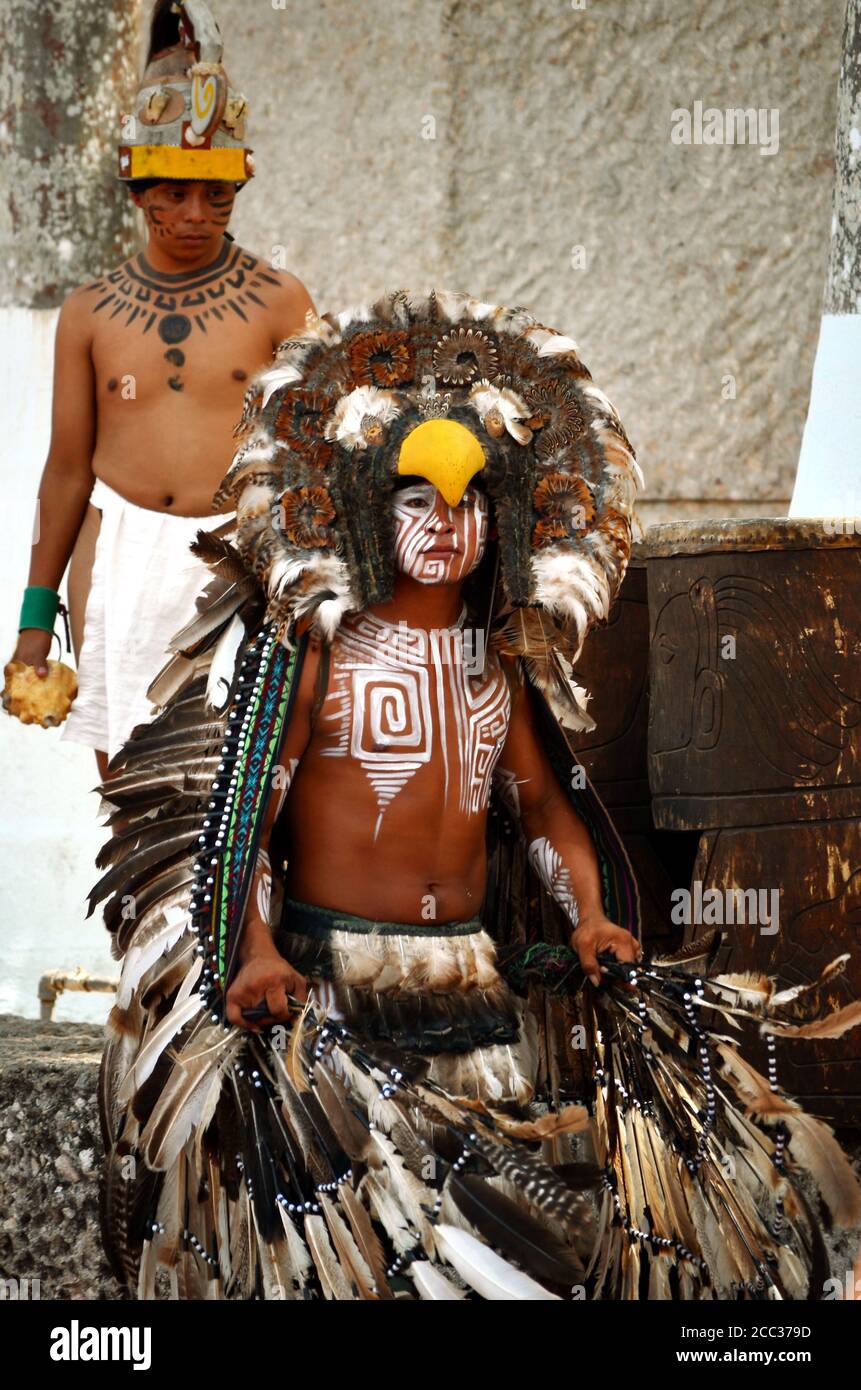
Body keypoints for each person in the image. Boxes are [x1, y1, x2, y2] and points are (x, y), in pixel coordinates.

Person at [92, 290, 861, 1300]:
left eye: (467, 503)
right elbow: (249, 821)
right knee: (381, 1251)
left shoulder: (497, 670)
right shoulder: (316, 653)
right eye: (417, 500)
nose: (444, 525)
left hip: (473, 992)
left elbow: (545, 812)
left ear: (502, 522)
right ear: (372, 511)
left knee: (491, 1236)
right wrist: (257, 945)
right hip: (334, 989)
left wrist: (591, 917)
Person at [8, 0, 314, 775]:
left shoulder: (282, 301)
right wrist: (33, 621)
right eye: (173, 192)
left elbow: (319, 453)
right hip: (119, 563)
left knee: (244, 797)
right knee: (134, 794)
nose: (194, 214)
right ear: (136, 188)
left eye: (216, 195)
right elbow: (67, 469)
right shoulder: (88, 313)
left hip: (241, 562)